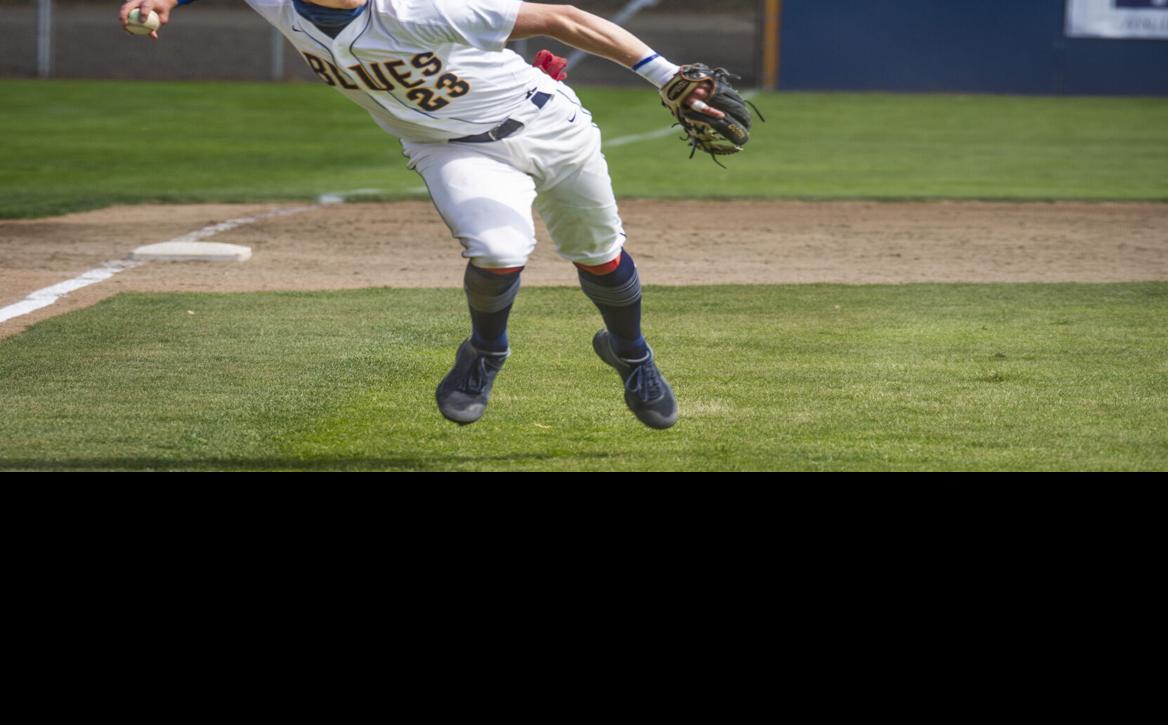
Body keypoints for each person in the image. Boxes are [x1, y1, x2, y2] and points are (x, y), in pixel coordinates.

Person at [116, 0, 731, 430]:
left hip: (552, 127)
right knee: (497, 248)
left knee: (599, 255)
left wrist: (665, 75)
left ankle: (632, 356)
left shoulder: (422, 7)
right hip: (450, 147)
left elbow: (562, 19)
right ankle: (485, 354)